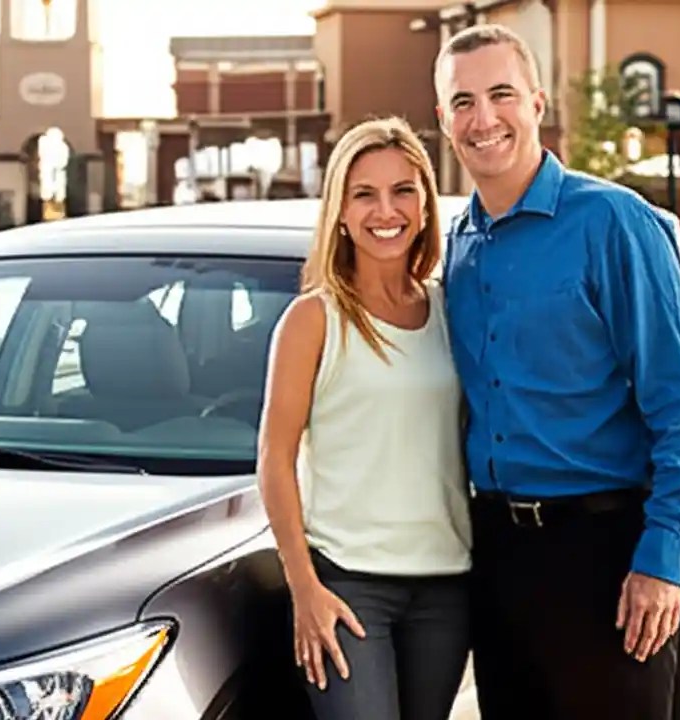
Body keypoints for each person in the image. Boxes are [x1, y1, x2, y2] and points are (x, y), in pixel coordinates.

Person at [433, 24, 680, 719]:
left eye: (501, 94)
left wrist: (661, 560)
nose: (483, 118)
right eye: (462, 102)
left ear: (537, 102)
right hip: (497, 554)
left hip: (606, 552)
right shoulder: (458, 246)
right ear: (443, 120)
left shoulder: (613, 223)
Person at [257, 116, 472, 720]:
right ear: (342, 213)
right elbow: (274, 459)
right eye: (365, 194)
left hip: (446, 585)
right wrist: (304, 588)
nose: (387, 210)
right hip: (347, 587)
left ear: (426, 205)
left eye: (404, 190)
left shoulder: (451, 311)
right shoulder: (312, 320)